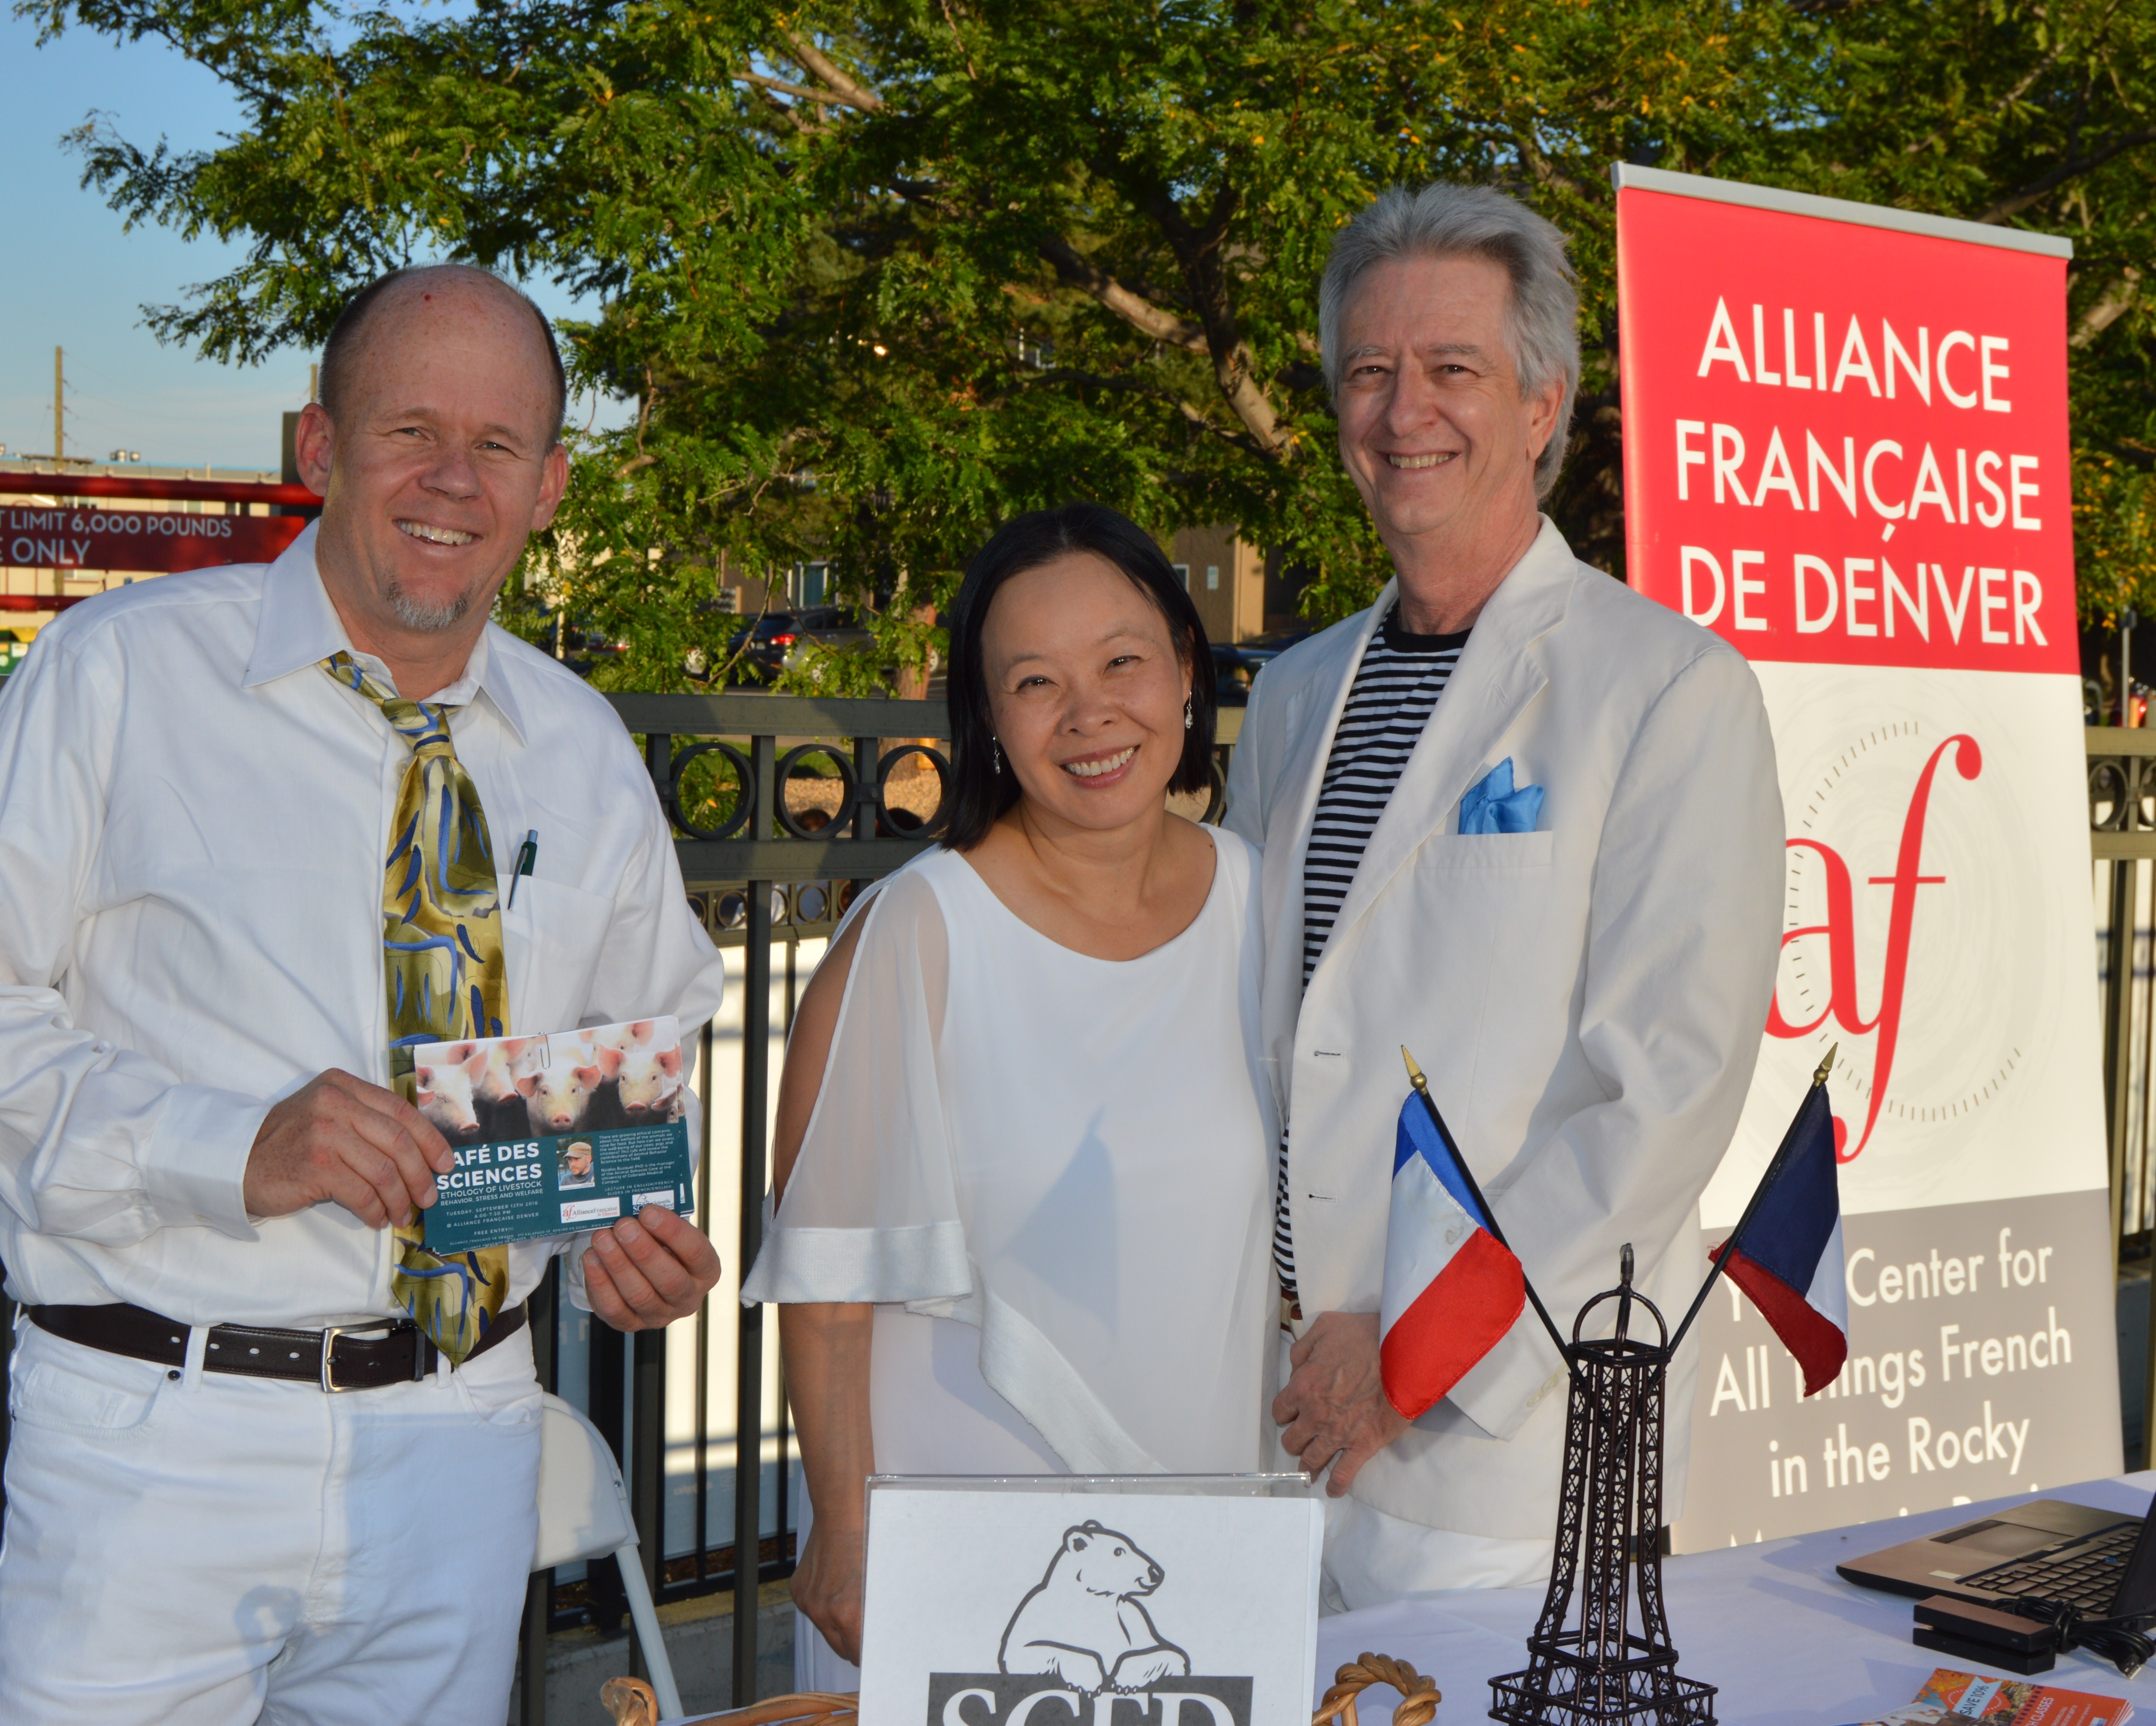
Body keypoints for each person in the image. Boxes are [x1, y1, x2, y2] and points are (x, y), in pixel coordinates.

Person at [0, 264, 727, 1722]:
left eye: (500, 445)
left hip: (459, 1452)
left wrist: (627, 1238)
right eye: (408, 431)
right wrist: (231, 1145)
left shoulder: (581, 749)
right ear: (321, 450)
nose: (451, 480)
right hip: (155, 1443)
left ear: (550, 484)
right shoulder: (116, 672)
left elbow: (648, 1053)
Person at [1222, 184, 1784, 1608]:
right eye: (1367, 370)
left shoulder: (1664, 688)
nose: (1404, 409)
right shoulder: (1290, 697)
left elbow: (1659, 1093)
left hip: (1497, 1449)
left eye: (1451, 369)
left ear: (1543, 405)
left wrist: (1410, 1347)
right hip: (1281, 1423)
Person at [742, 503, 1275, 1688]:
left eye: (1122, 662)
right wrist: (842, 1526)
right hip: (955, 1550)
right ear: (986, 717)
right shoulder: (917, 933)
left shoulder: (1262, 907)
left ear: (1185, 671)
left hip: (1196, 1534)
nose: (1090, 714)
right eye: (1034, 683)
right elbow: (825, 1291)